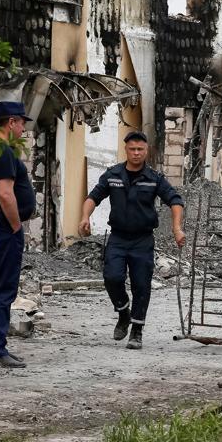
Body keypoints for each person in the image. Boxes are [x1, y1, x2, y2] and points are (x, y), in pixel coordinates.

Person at [79, 130, 185, 350]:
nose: (136, 153)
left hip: (142, 240)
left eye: (140, 149)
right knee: (112, 277)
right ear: (126, 150)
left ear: (146, 151)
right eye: (132, 149)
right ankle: (123, 312)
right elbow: (93, 197)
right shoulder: (113, 175)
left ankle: (136, 330)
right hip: (117, 237)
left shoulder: (154, 179)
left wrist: (177, 228)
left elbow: (175, 201)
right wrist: (84, 217)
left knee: (141, 285)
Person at [0, 101, 36, 368]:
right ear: (11, 122)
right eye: (22, 123)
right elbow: (5, 193)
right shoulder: (1, 150)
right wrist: (15, 225)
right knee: (2, 288)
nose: (23, 128)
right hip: (4, 226)